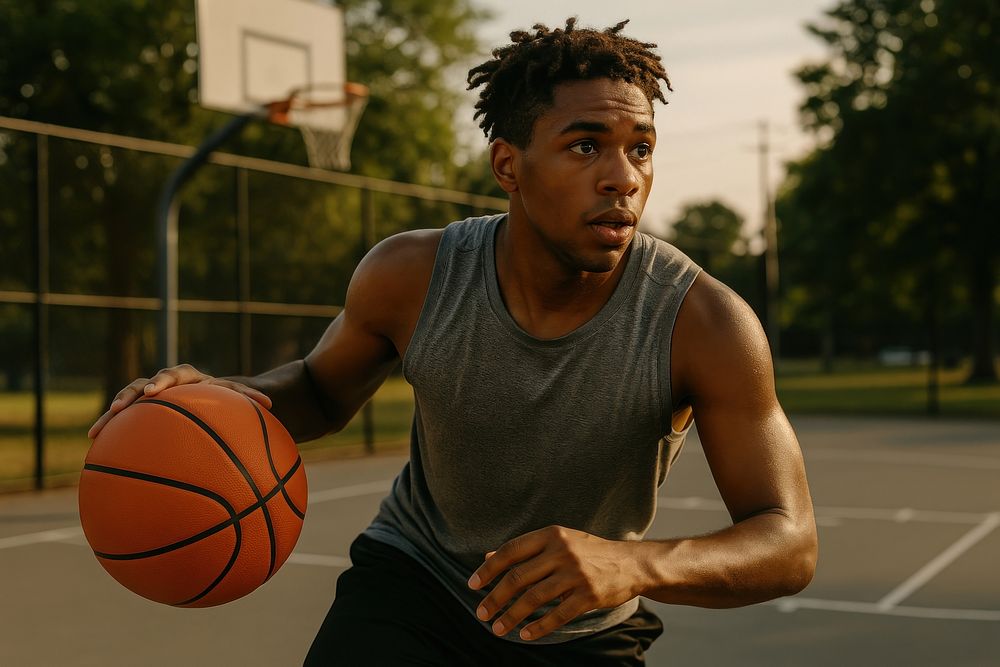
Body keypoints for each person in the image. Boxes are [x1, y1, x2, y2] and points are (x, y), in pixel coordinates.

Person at [89, 18, 817, 666]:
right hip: (415, 584)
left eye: (641, 147)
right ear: (509, 167)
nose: (623, 177)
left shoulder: (704, 322)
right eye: (586, 145)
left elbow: (789, 542)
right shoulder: (412, 275)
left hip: (575, 626)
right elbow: (317, 391)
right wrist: (219, 396)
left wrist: (632, 565)